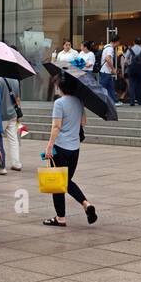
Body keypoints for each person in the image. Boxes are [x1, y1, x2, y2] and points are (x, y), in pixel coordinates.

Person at [42, 73, 97, 227]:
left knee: (59, 183)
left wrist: (49, 146)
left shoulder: (59, 103)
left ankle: (62, 217)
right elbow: (83, 122)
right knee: (66, 182)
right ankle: (86, 205)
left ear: (60, 86)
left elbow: (56, 126)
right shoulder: (79, 101)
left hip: (60, 147)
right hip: (75, 149)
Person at [0, 73, 23, 172]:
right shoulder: (16, 81)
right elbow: (17, 98)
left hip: (0, 115)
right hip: (12, 114)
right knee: (13, 140)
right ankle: (16, 163)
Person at [125, 36, 141, 106]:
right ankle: (139, 101)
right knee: (139, 85)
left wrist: (129, 64)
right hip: (140, 70)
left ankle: (132, 101)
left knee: (132, 85)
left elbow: (125, 60)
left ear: (134, 42)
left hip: (132, 69)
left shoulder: (130, 50)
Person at [99, 38, 118, 103]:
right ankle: (99, 100)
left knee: (110, 87)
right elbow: (108, 59)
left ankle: (114, 101)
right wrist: (113, 69)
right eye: (118, 42)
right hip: (106, 71)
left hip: (106, 71)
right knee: (102, 87)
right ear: (116, 42)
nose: (119, 44)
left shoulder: (106, 46)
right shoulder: (110, 49)